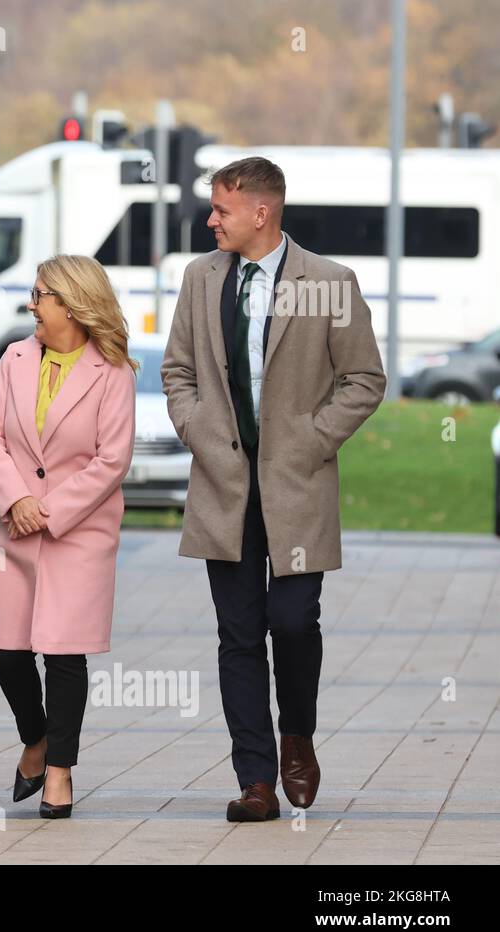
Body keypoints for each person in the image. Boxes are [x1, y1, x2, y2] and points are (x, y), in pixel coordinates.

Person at [160, 156, 385, 822]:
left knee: (291, 622)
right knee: (237, 635)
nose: (211, 220)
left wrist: (312, 441)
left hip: (297, 485)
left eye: (221, 209)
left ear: (261, 212)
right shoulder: (201, 280)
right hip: (224, 485)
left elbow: (364, 381)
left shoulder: (330, 281)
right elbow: (177, 372)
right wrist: (197, 430)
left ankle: (298, 738)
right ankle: (255, 780)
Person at [0, 255, 136, 819]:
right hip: (13, 527)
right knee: (7, 650)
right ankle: (36, 740)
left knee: (65, 654)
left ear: (70, 303)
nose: (32, 305)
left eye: (40, 294)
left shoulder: (112, 371)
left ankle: (59, 771)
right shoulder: (14, 357)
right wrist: (16, 499)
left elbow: (111, 459)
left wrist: (48, 509)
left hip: (79, 532)